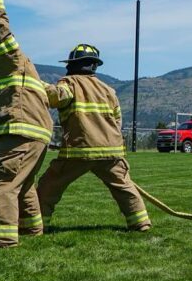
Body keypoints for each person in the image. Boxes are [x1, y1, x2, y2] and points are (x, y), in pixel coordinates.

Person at [38, 44, 151, 231]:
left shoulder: (69, 83)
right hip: (111, 152)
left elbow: (55, 98)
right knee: (125, 188)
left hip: (79, 151)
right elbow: (118, 120)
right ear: (94, 66)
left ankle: (38, 224)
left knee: (49, 186)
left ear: (72, 64)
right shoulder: (108, 90)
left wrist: (37, 84)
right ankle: (140, 223)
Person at [0, 0, 53, 248]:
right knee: (23, 186)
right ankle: (32, 231)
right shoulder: (26, 72)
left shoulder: (8, 59)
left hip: (19, 130)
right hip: (36, 133)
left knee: (2, 183)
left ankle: (2, 239)